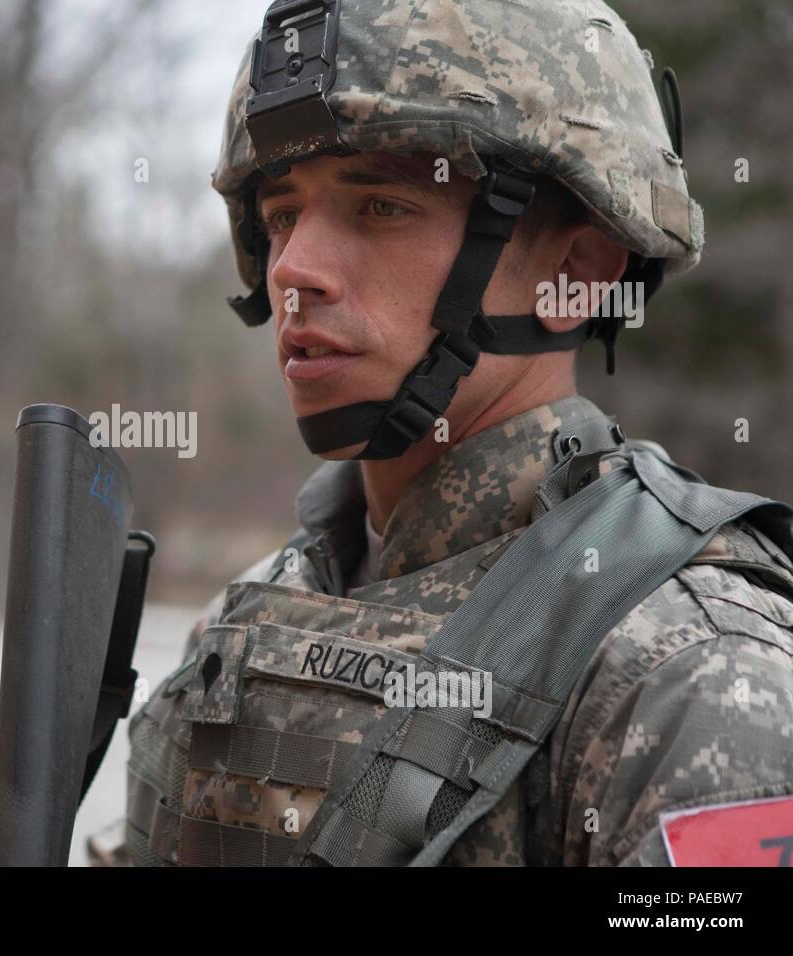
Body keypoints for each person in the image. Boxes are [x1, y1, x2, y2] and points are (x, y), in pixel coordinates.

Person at [94, 0, 793, 866]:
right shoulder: (251, 616)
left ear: (576, 272)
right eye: (280, 215)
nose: (294, 271)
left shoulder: (692, 675)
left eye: (380, 207)